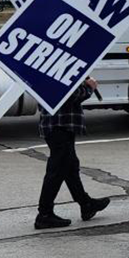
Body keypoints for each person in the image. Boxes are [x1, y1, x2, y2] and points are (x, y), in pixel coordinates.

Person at [35, 76, 110, 229]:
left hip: (57, 125)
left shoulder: (46, 70)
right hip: (60, 125)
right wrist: (89, 87)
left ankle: (86, 204)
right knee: (56, 170)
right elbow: (70, 95)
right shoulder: (58, 72)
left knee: (70, 167)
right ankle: (44, 214)